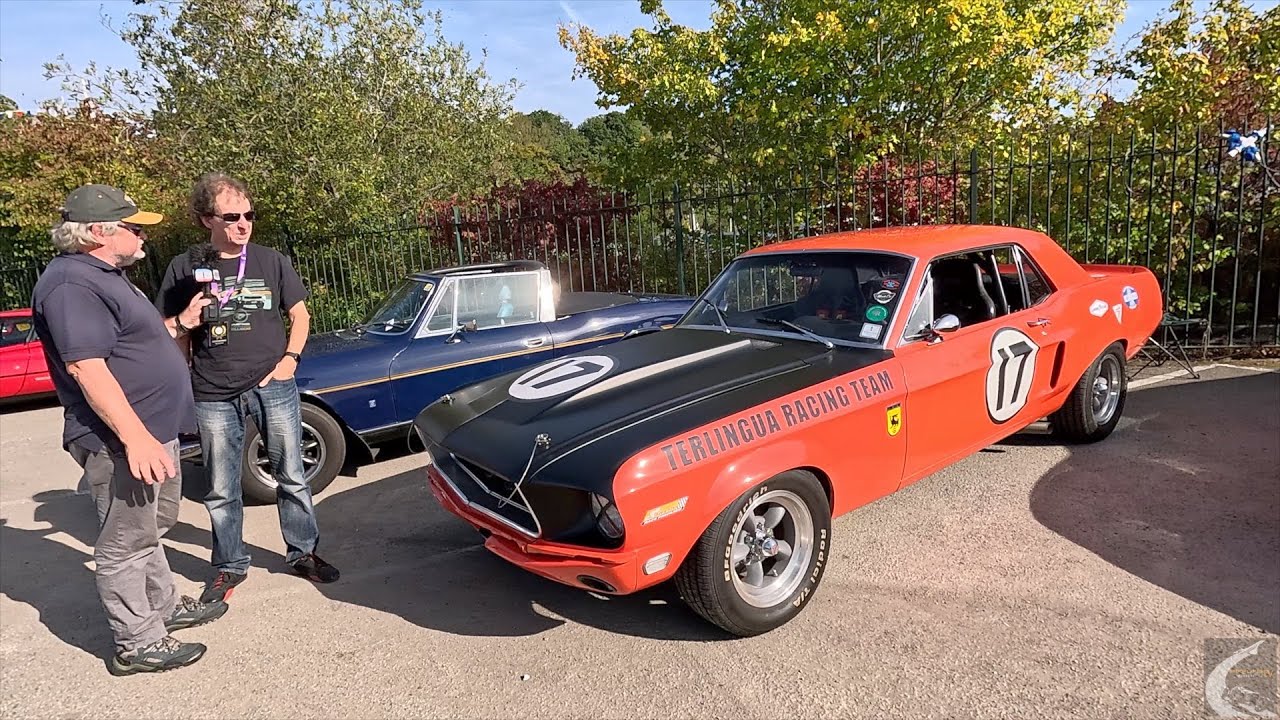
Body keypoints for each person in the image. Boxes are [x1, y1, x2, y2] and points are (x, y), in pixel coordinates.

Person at [31, 184, 227, 676]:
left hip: (150, 430)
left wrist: (180, 323)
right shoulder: (72, 285)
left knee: (150, 527)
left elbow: (131, 343)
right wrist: (135, 437)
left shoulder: (104, 275)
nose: (142, 235)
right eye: (133, 227)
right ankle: (136, 642)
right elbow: (87, 368)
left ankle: (164, 608)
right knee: (123, 542)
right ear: (99, 232)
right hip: (120, 440)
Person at [155, 172, 338, 604]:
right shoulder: (184, 268)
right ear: (206, 220)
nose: (243, 224)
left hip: (272, 384)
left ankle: (303, 552)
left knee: (292, 474)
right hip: (212, 391)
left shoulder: (270, 260)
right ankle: (230, 565)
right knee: (221, 485)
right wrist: (184, 337)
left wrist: (289, 362)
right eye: (232, 216)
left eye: (249, 214)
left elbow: (301, 315)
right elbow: (166, 331)